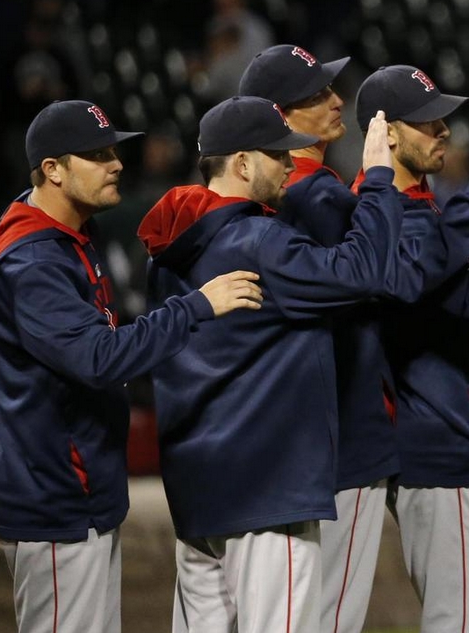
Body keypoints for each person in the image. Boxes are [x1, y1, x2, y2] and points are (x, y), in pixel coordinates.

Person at [0, 99, 262, 633]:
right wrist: (196, 305)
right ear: (52, 170)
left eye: (114, 151)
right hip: (53, 499)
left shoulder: (60, 229)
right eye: (97, 154)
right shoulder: (33, 263)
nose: (117, 163)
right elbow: (100, 358)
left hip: (71, 487)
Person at [239, 53, 469, 633]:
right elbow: (403, 278)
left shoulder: (256, 205)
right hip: (344, 429)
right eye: (318, 94)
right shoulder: (318, 197)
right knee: (328, 616)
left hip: (282, 429)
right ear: (279, 115)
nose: (337, 101)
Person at [137, 96, 408, 633]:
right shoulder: (259, 241)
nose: (290, 164)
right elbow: (365, 271)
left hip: (199, 494)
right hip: (267, 495)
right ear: (241, 164)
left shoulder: (168, 249)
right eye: (276, 155)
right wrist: (377, 179)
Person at [352, 67, 469, 633]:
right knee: (463, 622)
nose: (443, 129)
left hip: (429, 436)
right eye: (425, 120)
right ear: (386, 134)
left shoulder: (414, 207)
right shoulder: (397, 215)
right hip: (437, 439)